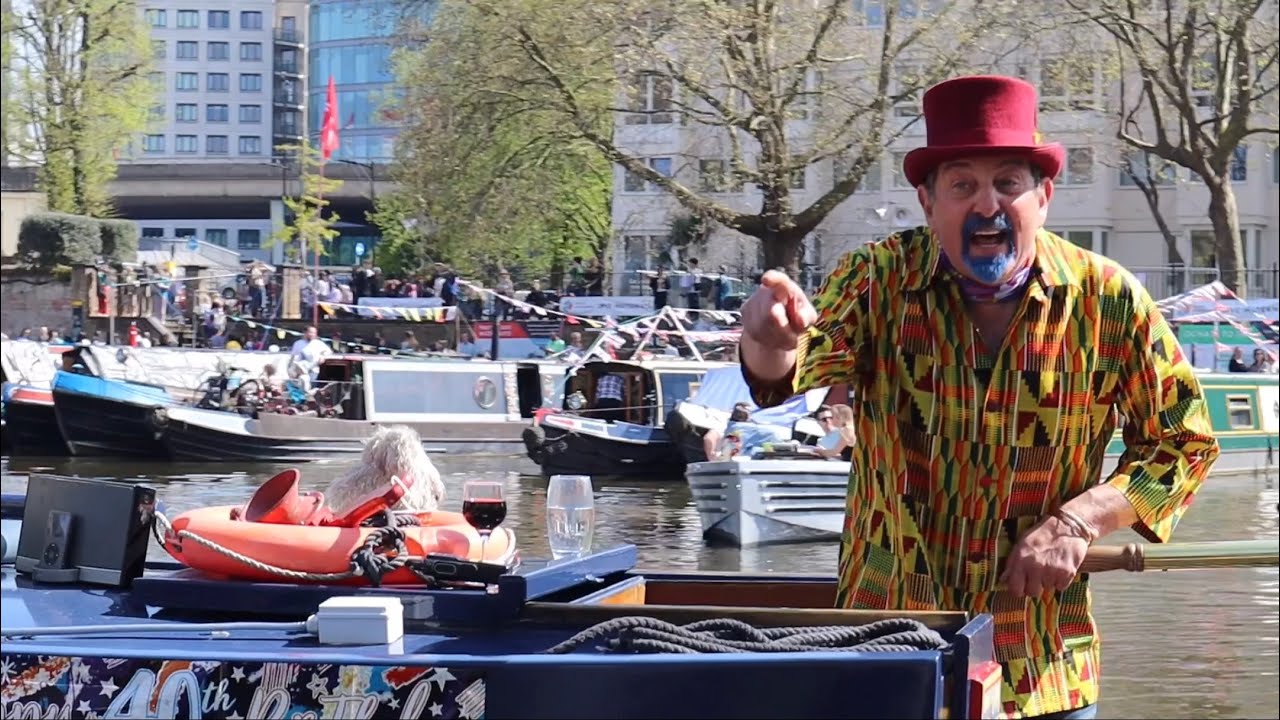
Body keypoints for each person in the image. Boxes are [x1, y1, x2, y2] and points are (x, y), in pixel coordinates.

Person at [738, 75, 1219, 720]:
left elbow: (1182, 442)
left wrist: (1080, 521)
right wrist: (766, 337)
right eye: (962, 185)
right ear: (928, 201)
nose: (987, 205)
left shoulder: (1111, 299)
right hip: (890, 648)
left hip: (1044, 666)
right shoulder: (876, 278)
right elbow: (781, 381)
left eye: (1008, 184)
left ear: (1044, 197)